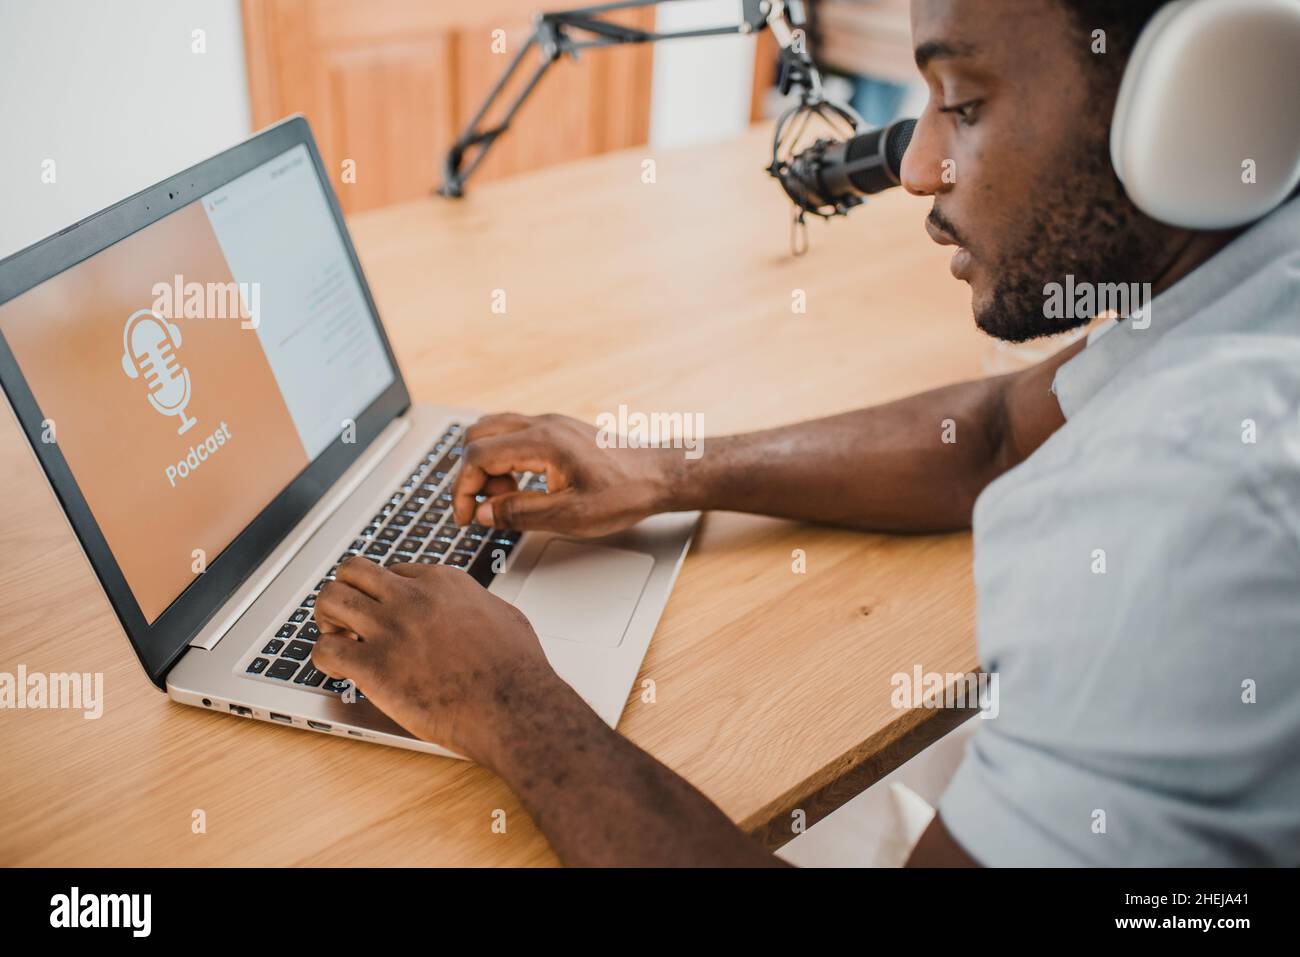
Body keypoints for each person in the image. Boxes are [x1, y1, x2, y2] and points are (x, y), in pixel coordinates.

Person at [311, 0, 1300, 866]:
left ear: (1197, 93)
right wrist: (657, 469)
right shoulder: (1257, 275)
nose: (913, 167)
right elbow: (998, 431)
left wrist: (504, 699)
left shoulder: (1197, 497)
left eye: (964, 104)